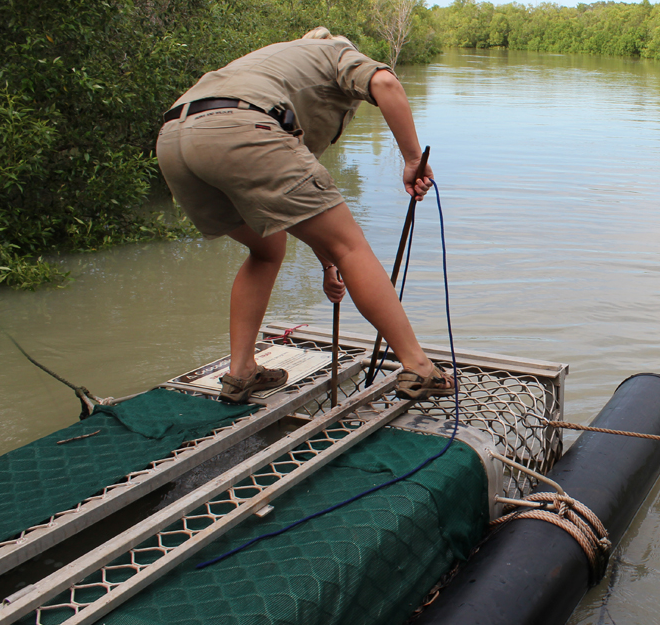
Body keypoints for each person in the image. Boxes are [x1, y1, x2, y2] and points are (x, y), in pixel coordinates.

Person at [157, 27, 454, 404]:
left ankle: (242, 372)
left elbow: (305, 208)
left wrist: (328, 267)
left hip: (174, 138)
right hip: (244, 129)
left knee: (267, 250)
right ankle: (419, 367)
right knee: (352, 246)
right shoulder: (335, 53)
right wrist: (413, 159)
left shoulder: (275, 58)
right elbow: (386, 84)